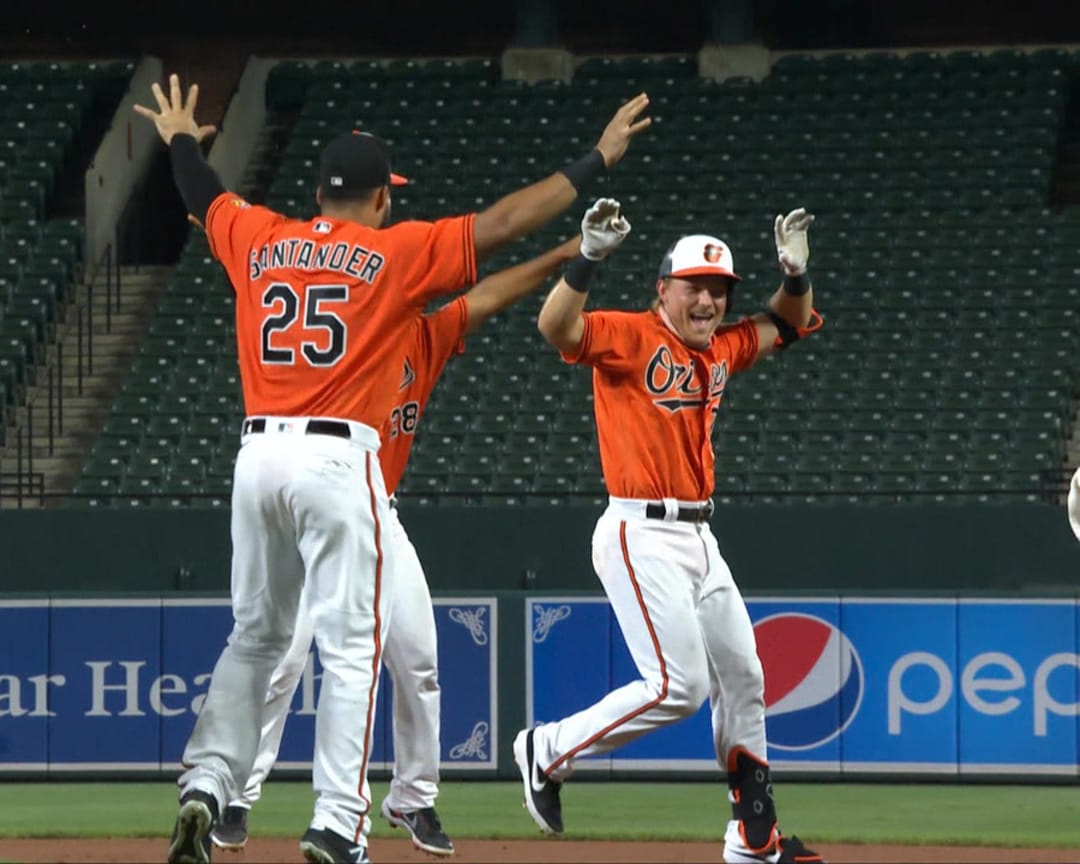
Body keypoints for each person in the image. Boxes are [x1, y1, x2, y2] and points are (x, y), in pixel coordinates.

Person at [133, 73, 650, 864]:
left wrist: (177, 136)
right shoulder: (394, 254)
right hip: (336, 458)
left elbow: (202, 192)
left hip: (256, 454)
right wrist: (596, 160)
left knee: (255, 638)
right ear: (379, 200)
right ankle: (339, 822)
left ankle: (207, 783)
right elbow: (504, 222)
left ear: (317, 192)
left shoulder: (259, 234)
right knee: (350, 649)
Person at [214, 236, 585, 859]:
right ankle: (236, 795)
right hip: (320, 510)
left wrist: (567, 257)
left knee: (419, 658)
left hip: (378, 512)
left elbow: (490, 293)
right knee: (283, 662)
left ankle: (412, 796)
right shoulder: (347, 338)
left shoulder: (426, 335)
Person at [517, 199, 827, 864]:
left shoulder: (721, 348)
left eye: (718, 289)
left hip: (699, 539)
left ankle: (754, 836)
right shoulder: (628, 335)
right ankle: (546, 750)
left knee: (743, 674)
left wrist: (795, 275)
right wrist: (588, 256)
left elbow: (786, 325)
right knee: (679, 687)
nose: (709, 301)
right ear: (664, 290)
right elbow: (554, 326)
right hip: (638, 530)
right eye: (695, 287)